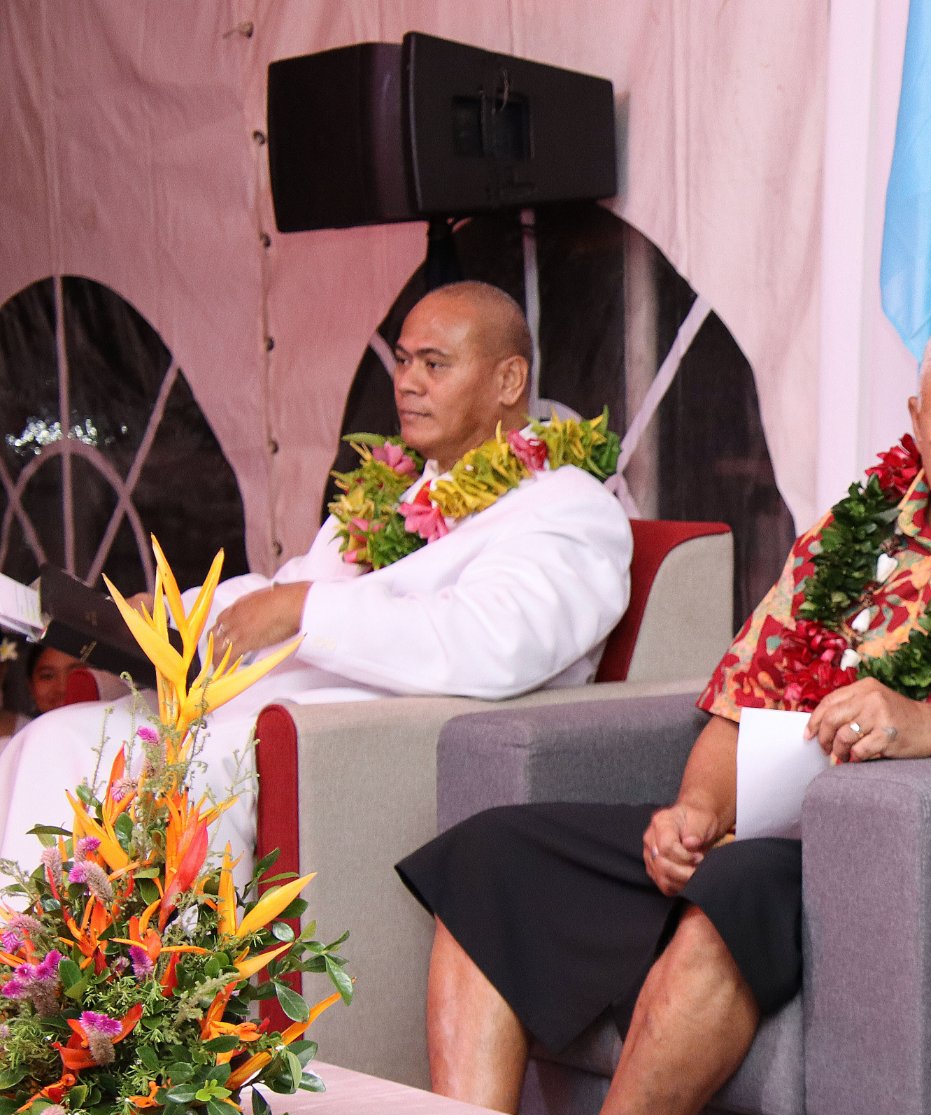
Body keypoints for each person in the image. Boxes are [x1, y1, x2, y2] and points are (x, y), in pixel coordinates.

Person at [401, 304, 931, 1115]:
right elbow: (741, 701)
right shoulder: (849, 539)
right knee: (492, 853)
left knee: (737, 887)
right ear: (918, 424)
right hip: (765, 828)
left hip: (891, 866)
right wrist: (696, 813)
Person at [0, 280, 632, 870]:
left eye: (434, 365)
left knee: (186, 767)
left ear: (509, 379)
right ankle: (27, 951)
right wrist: (170, 615)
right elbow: (289, 587)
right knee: (55, 740)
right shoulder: (391, 494)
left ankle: (148, 958)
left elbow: (498, 643)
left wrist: (304, 609)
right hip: (284, 715)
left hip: (384, 745)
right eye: (403, 361)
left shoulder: (568, 507)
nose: (407, 383)